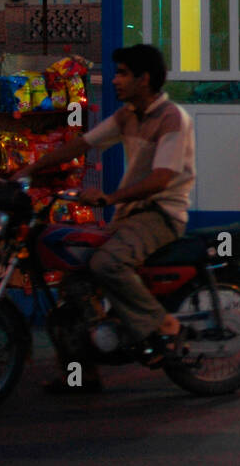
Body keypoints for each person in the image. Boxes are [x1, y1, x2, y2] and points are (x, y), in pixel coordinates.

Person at [17, 44, 195, 393]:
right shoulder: (128, 115)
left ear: (144, 79)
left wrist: (109, 197)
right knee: (73, 283)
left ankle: (165, 327)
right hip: (130, 216)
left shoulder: (172, 118)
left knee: (107, 264)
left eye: (123, 73)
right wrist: (31, 169)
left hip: (161, 214)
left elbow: (161, 179)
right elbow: (83, 144)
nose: (114, 80)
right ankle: (82, 375)